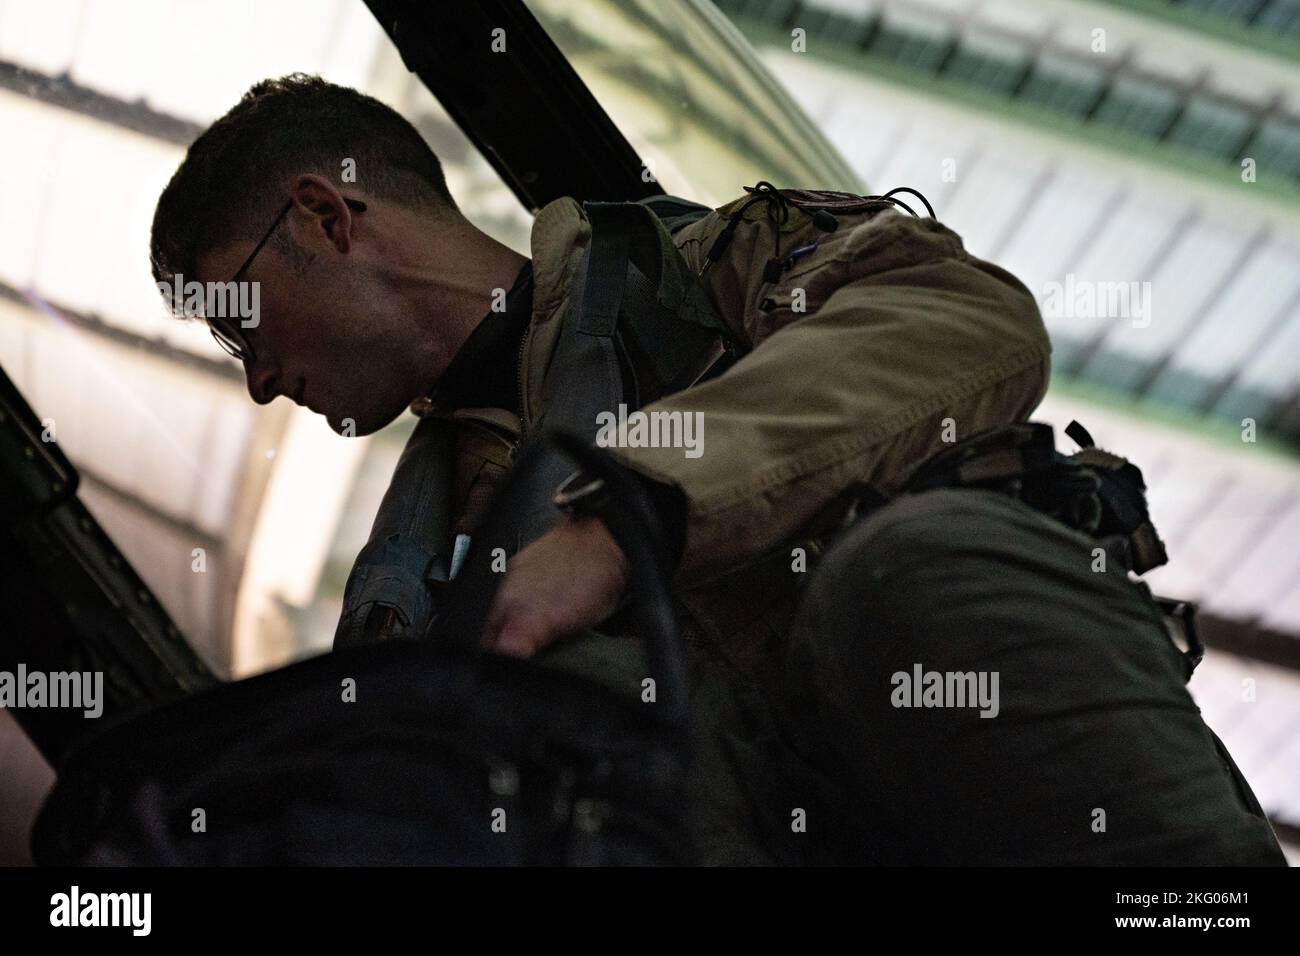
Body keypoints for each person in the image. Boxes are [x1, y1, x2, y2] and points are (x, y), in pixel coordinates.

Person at [149, 74, 1284, 865]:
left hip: (987, 762)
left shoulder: (698, 266)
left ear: (326, 213)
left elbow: (960, 324)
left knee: (903, 568)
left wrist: (625, 516)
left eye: (240, 323)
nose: (256, 382)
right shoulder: (403, 588)